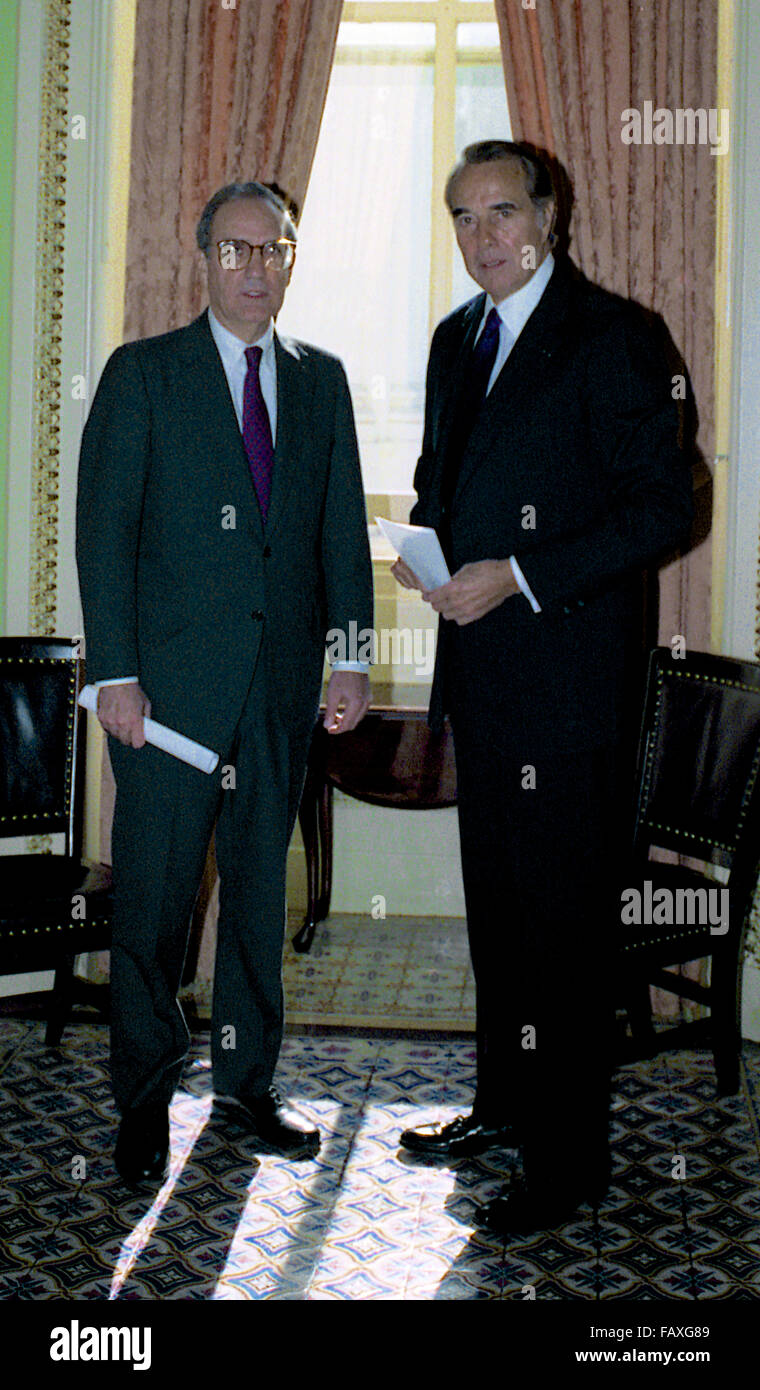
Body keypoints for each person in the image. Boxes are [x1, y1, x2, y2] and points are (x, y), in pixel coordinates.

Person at [393, 141, 693, 1234]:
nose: (485, 237)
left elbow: (666, 507)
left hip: (568, 697)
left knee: (564, 938)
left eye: (504, 212)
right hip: (484, 686)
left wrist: (515, 573)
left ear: (550, 215)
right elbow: (444, 479)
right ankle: (503, 1107)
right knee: (501, 925)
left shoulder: (618, 338)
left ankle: (565, 1167)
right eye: (465, 218)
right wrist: (424, 543)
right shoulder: (450, 340)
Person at [76, 180, 373, 1185]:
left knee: (254, 898)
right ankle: (146, 1098)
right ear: (204, 259)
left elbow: (339, 534)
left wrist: (352, 653)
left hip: (280, 693)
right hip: (165, 702)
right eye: (237, 250)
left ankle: (248, 1086)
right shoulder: (144, 375)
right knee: (155, 905)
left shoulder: (322, 382)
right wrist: (114, 674)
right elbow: (104, 534)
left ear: (293, 259)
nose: (256, 268)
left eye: (274, 249)